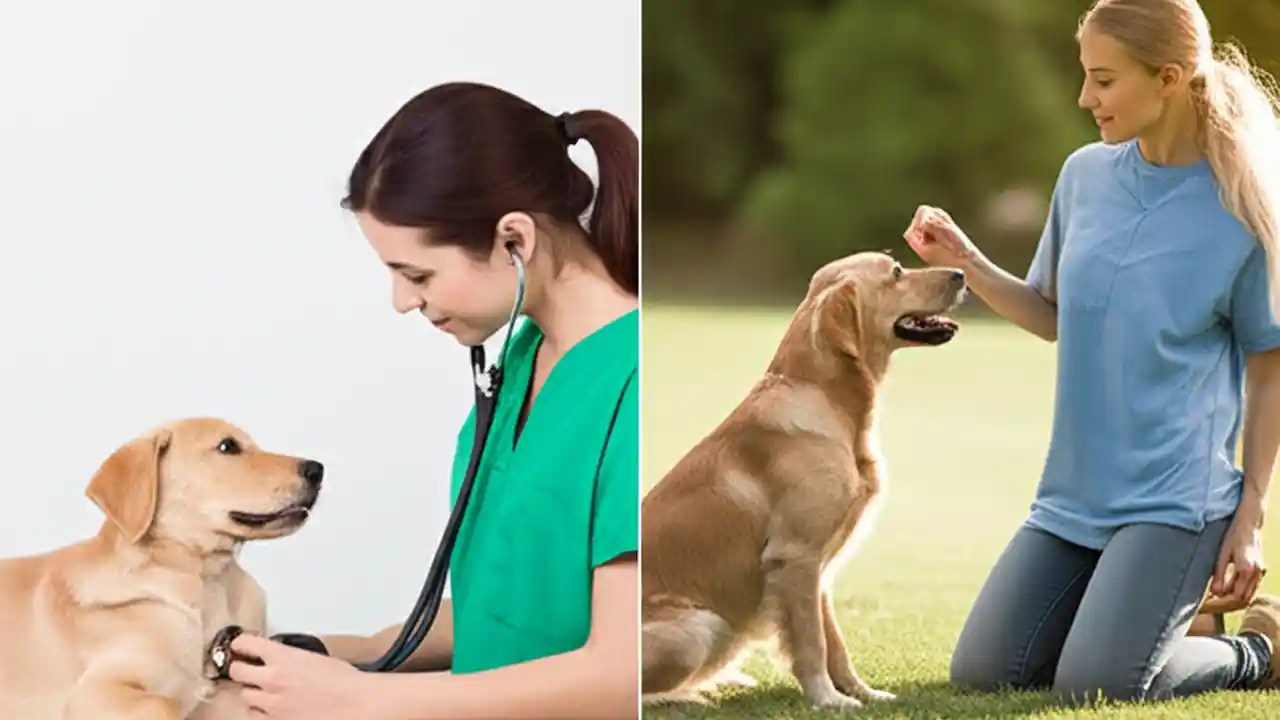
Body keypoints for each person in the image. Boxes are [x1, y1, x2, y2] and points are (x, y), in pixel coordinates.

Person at [904, 0, 1280, 706]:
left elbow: (1269, 367)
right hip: (1074, 493)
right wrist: (967, 261)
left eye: (1104, 80)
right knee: (986, 672)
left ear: (1168, 79)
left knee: (1097, 685)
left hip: (1177, 500)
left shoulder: (1241, 209)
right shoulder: (1084, 176)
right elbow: (1051, 316)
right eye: (1085, 76)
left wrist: (1250, 515)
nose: (1085, 98)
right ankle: (1160, 613)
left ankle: (1255, 648)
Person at [223, 82, 640, 719]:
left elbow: (618, 675)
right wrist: (341, 654)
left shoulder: (634, 380)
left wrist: (363, 700)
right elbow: (515, 608)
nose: (402, 301)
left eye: (416, 275)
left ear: (514, 241)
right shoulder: (525, 354)